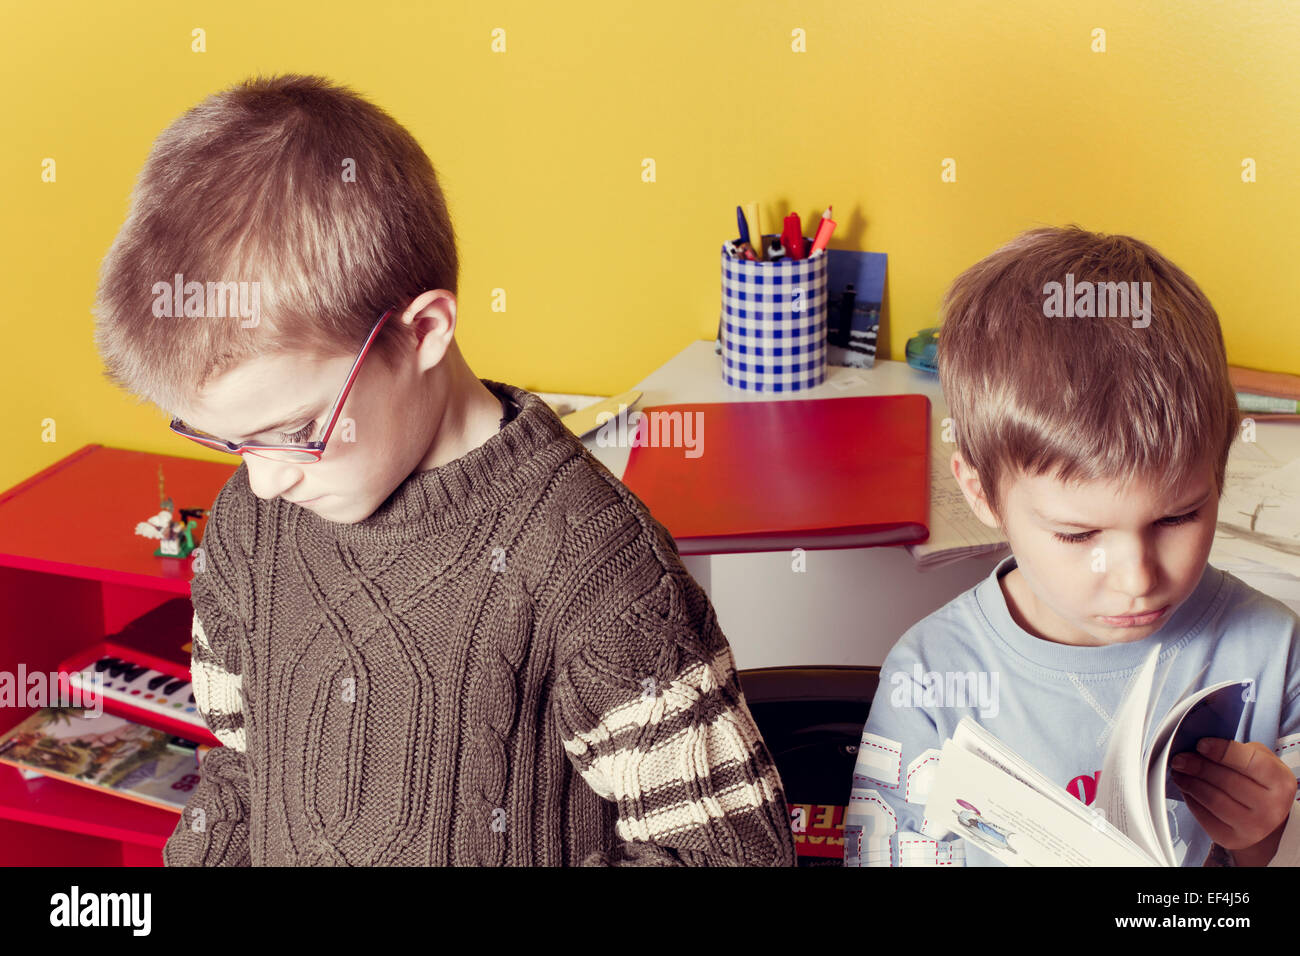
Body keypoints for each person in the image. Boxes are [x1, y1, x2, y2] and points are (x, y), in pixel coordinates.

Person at [92, 73, 795, 866]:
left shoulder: (594, 569)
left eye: (295, 430)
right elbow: (239, 771)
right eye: (229, 442)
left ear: (422, 331)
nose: (262, 480)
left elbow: (731, 856)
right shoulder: (252, 531)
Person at [843, 225, 1300, 867]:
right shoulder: (930, 677)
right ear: (981, 493)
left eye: (1177, 517)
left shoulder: (1276, 651)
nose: (1137, 578)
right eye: (1078, 534)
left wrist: (1261, 840)